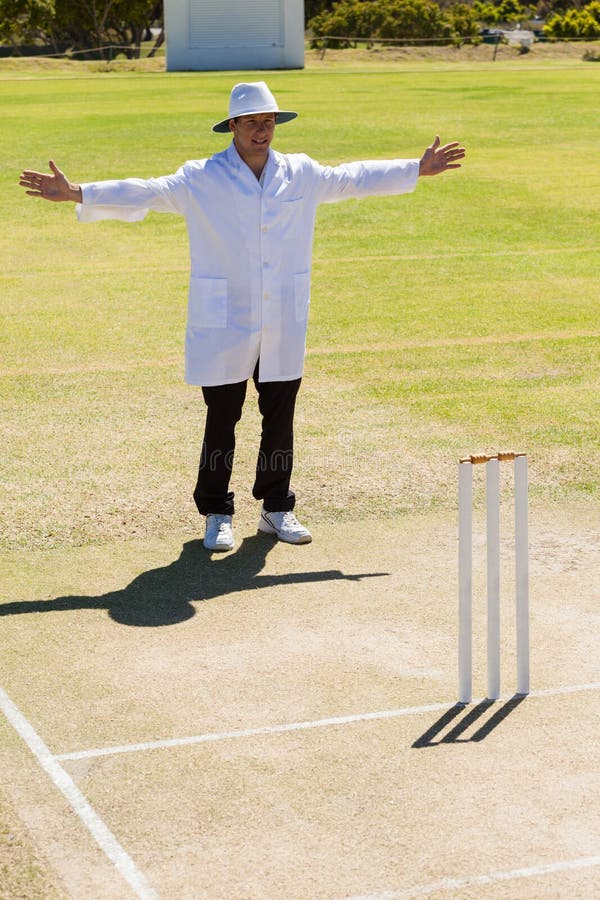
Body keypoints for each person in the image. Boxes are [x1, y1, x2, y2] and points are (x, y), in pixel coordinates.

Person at [19, 81, 465, 553]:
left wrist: (416, 168)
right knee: (222, 416)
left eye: (268, 121)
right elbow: (147, 192)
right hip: (225, 319)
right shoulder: (201, 177)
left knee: (280, 416)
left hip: (282, 318)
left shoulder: (301, 173)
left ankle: (277, 506)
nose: (262, 130)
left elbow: (353, 178)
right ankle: (216, 511)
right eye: (251, 122)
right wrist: (78, 193)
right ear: (232, 126)